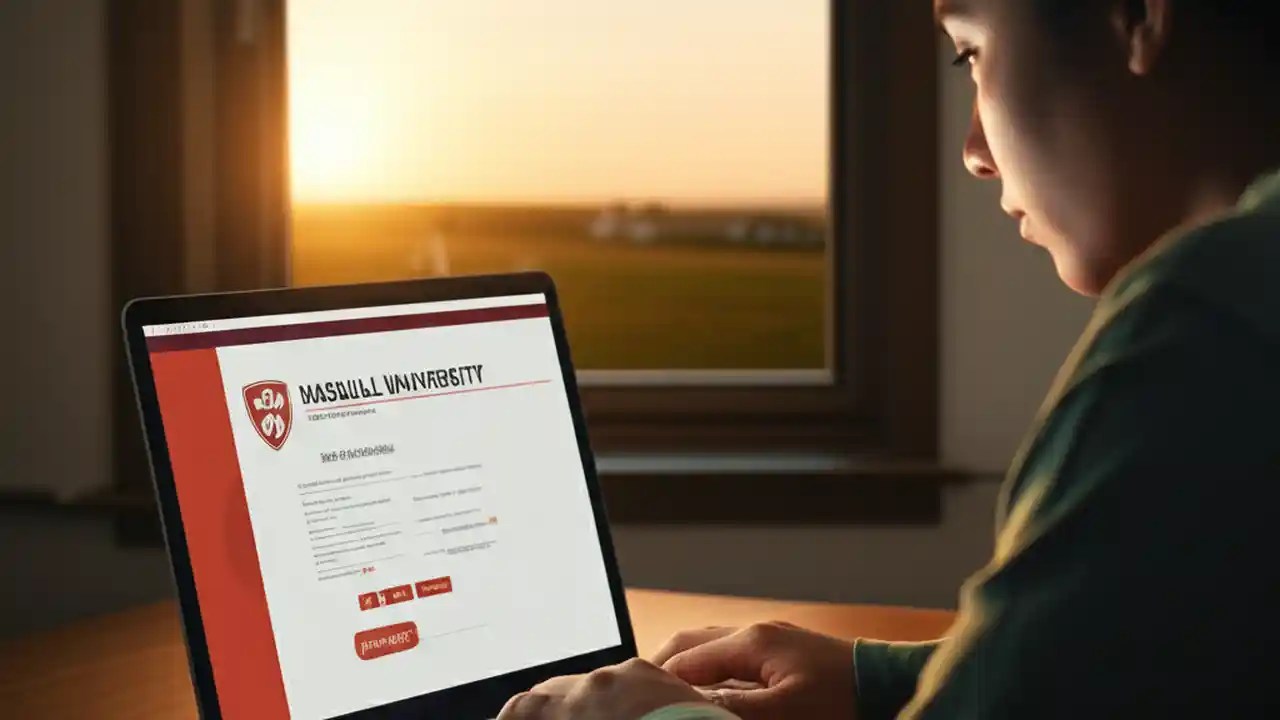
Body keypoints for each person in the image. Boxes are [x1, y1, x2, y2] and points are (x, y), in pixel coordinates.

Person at [497, 0, 1280, 717]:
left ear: (1137, 15)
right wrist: (873, 681)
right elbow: (1164, 657)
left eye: (971, 53)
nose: (974, 152)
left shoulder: (1208, 327)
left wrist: (666, 718)